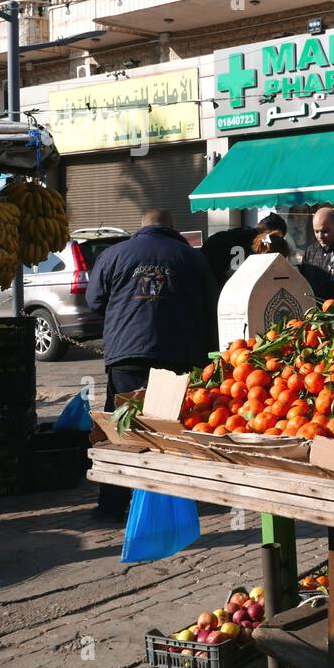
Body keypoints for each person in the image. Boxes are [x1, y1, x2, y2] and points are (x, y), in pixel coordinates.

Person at [87, 209, 218, 520]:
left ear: (141, 227)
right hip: (178, 356)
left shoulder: (114, 254)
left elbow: (94, 302)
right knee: (171, 431)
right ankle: (175, 503)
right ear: (172, 228)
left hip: (126, 357)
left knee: (122, 430)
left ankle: (112, 505)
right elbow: (211, 306)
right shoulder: (192, 258)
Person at [202, 212, 288, 290]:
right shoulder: (263, 247)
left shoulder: (223, 236)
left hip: (212, 290)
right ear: (272, 232)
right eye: (276, 237)